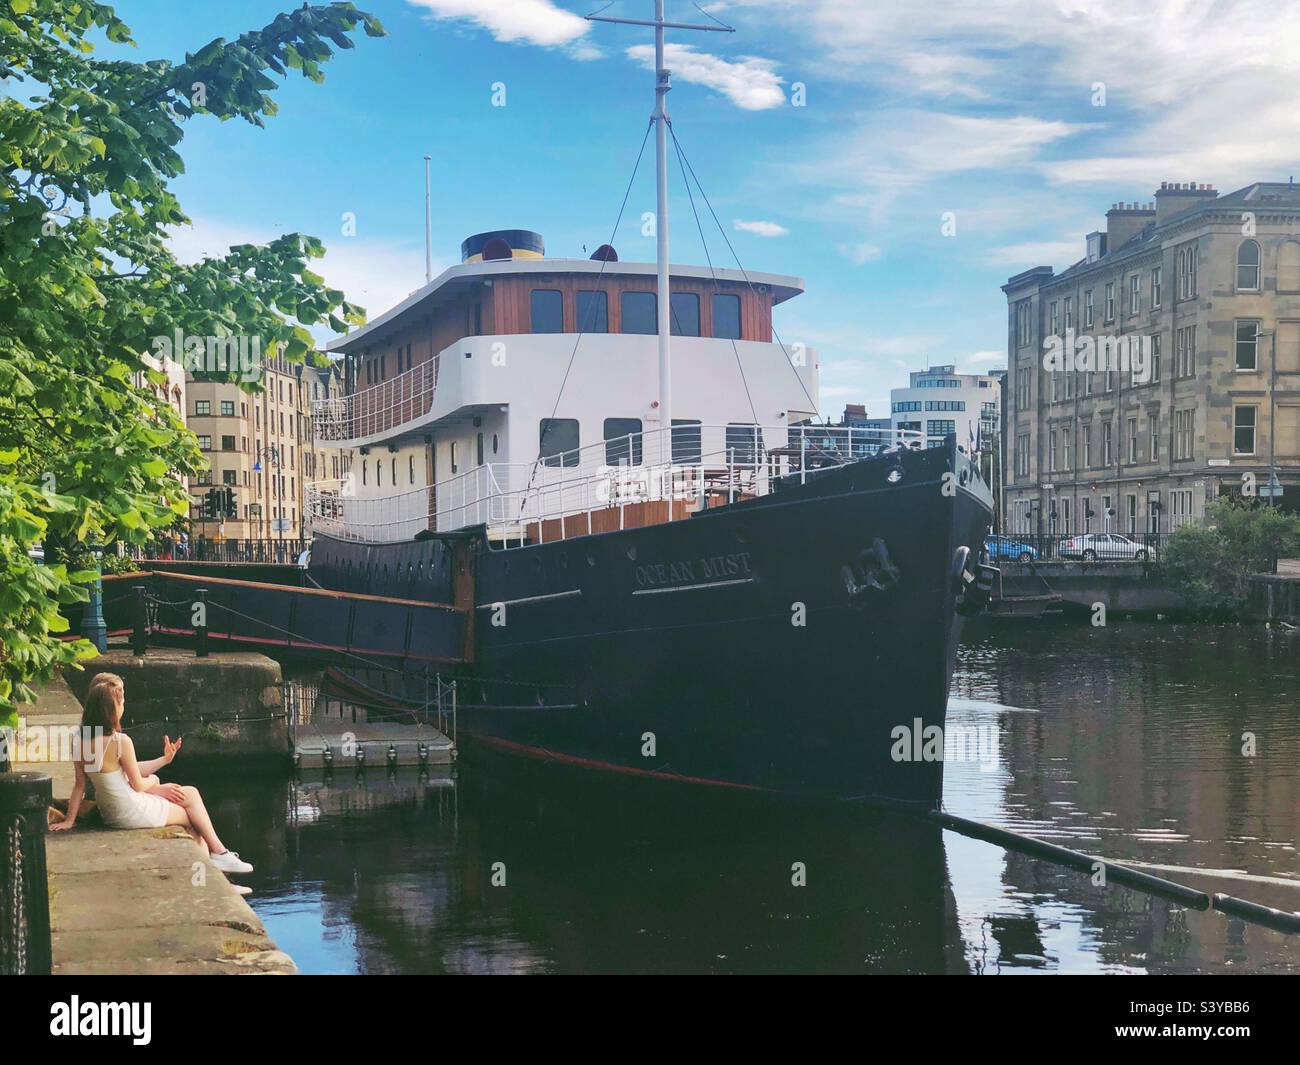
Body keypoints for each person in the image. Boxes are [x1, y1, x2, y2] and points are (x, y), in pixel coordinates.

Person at [51, 673, 253, 877]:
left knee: (190, 794)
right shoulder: (120, 741)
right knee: (192, 819)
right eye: (121, 702)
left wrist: (69, 820)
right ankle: (215, 868)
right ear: (111, 710)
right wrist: (156, 783)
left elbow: (80, 785)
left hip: (111, 812)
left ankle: (219, 859)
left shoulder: (79, 740)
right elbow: (138, 784)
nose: (124, 706)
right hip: (131, 811)